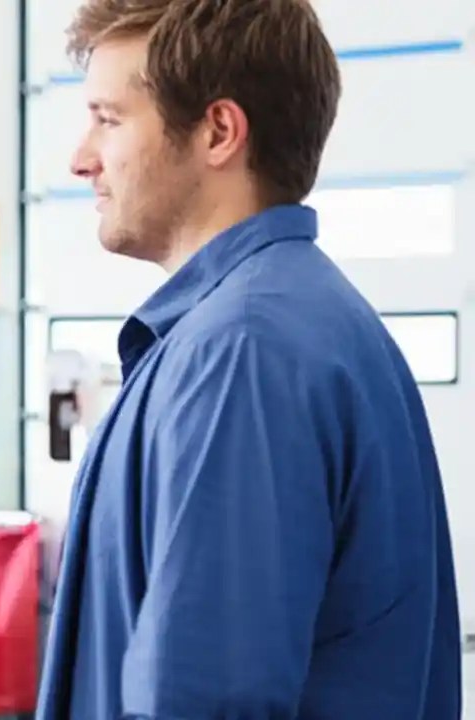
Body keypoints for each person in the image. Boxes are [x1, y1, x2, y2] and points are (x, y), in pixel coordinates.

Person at [36, 1, 461, 719]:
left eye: (108, 119)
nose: (81, 159)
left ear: (219, 132)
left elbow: (207, 697)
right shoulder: (293, 318)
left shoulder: (242, 351)